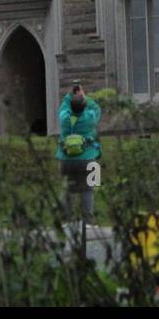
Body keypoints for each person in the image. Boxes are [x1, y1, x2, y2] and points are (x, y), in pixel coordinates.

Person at [56, 83, 101, 224]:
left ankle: (66, 220)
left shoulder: (65, 120)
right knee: (88, 189)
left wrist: (70, 95)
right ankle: (87, 221)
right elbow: (96, 108)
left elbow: (63, 107)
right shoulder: (90, 118)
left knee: (68, 189)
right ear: (84, 105)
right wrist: (83, 96)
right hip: (87, 158)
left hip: (66, 160)